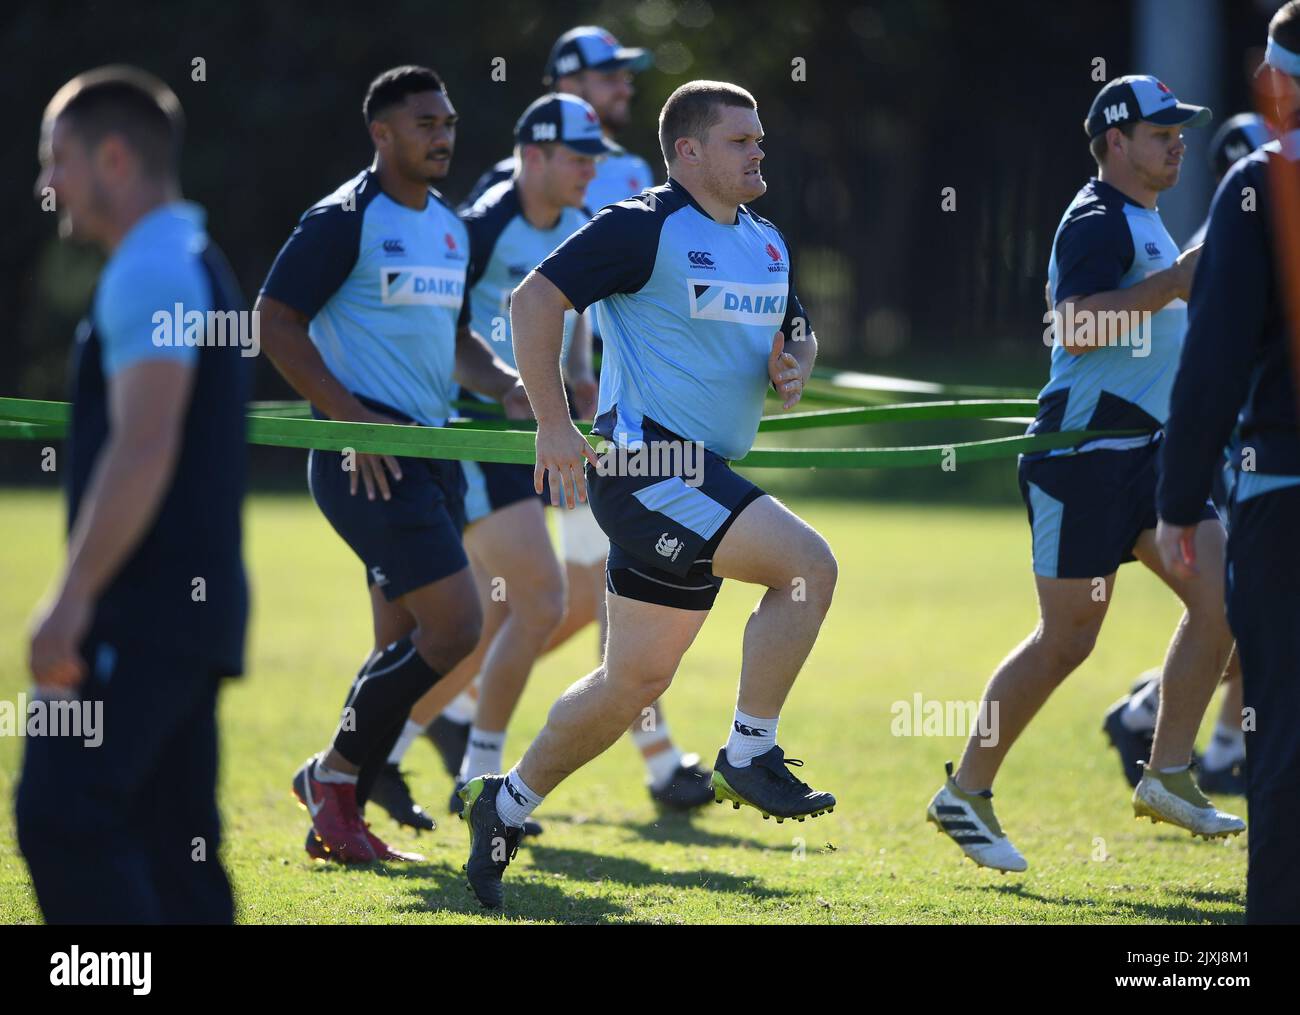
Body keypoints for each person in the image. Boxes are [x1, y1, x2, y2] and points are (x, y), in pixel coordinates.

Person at [458, 80, 837, 908]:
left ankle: (504, 801)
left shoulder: (767, 240)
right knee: (807, 565)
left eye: (760, 138)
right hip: (649, 467)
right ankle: (749, 750)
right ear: (689, 152)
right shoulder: (643, 225)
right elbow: (535, 299)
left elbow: (797, 326)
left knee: (630, 683)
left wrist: (794, 363)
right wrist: (554, 423)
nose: (758, 151)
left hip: (695, 475)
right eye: (740, 141)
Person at [927, 75, 1243, 874]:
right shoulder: (1098, 217)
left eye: (1181, 128)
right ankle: (965, 790)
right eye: (1159, 129)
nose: (1178, 139)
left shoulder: (1144, 220)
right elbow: (1074, 323)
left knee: (1227, 594)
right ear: (1114, 142)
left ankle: (1169, 771)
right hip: (1080, 460)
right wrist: (1173, 283)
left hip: (1150, 458)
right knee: (1066, 640)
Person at [431, 26, 715, 812]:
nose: (624, 85)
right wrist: (525, 388)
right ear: (563, 84)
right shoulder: (514, 191)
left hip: (602, 416)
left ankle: (451, 721)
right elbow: (493, 304)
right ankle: (446, 731)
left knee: (566, 597)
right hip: (540, 425)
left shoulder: (623, 174)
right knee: (554, 597)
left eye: (627, 75)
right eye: (607, 74)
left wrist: (585, 378)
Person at [256, 65, 529, 862]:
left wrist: (507, 382)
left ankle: (333, 790)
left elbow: (450, 340)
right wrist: (354, 424)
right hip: (365, 462)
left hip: (428, 454)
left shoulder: (448, 225)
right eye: (424, 124)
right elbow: (274, 322)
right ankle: (336, 779)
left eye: (448, 122)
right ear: (382, 133)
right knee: (460, 626)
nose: (442, 136)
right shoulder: (343, 218)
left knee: (404, 642)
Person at [17, 66, 249, 922]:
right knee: (173, 846)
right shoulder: (185, 258)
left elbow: (144, 443)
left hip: (142, 616)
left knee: (60, 813)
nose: (47, 185)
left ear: (112, 157)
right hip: (185, 615)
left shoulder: (150, 270)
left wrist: (71, 598)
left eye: (57, 161)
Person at [1155, 0, 1300, 924]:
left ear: (1279, 81)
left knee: (1283, 728)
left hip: (1283, 490)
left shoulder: (1261, 182)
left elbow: (1211, 365)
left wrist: (1177, 499)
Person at [1102, 112, 1272, 797]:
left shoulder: (1228, 226)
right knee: (1243, 603)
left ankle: (1204, 736)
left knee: (1248, 606)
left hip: (1245, 443)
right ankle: (1185, 730)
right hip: (1234, 448)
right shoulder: (1232, 235)